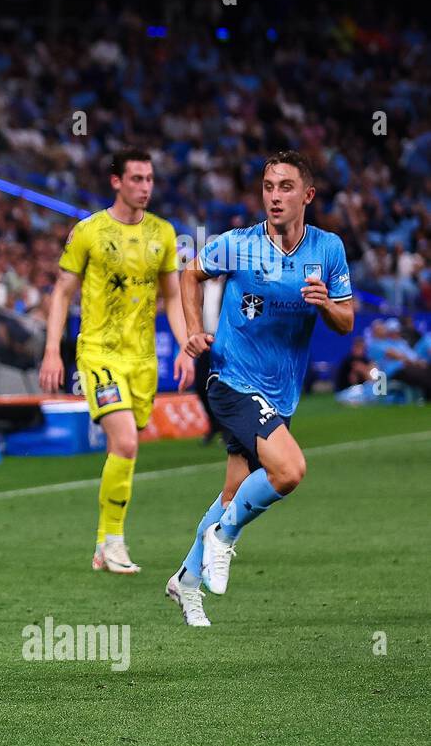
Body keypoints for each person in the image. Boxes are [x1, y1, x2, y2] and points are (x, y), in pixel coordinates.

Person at [169, 151, 354, 627]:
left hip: (281, 391)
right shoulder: (238, 244)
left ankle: (187, 581)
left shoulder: (328, 250)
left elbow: (345, 320)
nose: (274, 196)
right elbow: (189, 273)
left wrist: (325, 304)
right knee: (290, 470)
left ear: (307, 195)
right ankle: (223, 539)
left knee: (234, 490)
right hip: (231, 378)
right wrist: (193, 328)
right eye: (269, 186)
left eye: (286, 187)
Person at [39, 149, 194, 574]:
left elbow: (173, 297)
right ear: (116, 182)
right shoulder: (88, 231)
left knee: (124, 446)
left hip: (141, 360)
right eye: (137, 179)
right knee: (126, 441)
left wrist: (184, 344)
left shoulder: (164, 233)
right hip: (98, 354)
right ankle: (113, 542)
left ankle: (103, 546)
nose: (145, 187)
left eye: (149, 179)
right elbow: (62, 293)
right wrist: (54, 350)